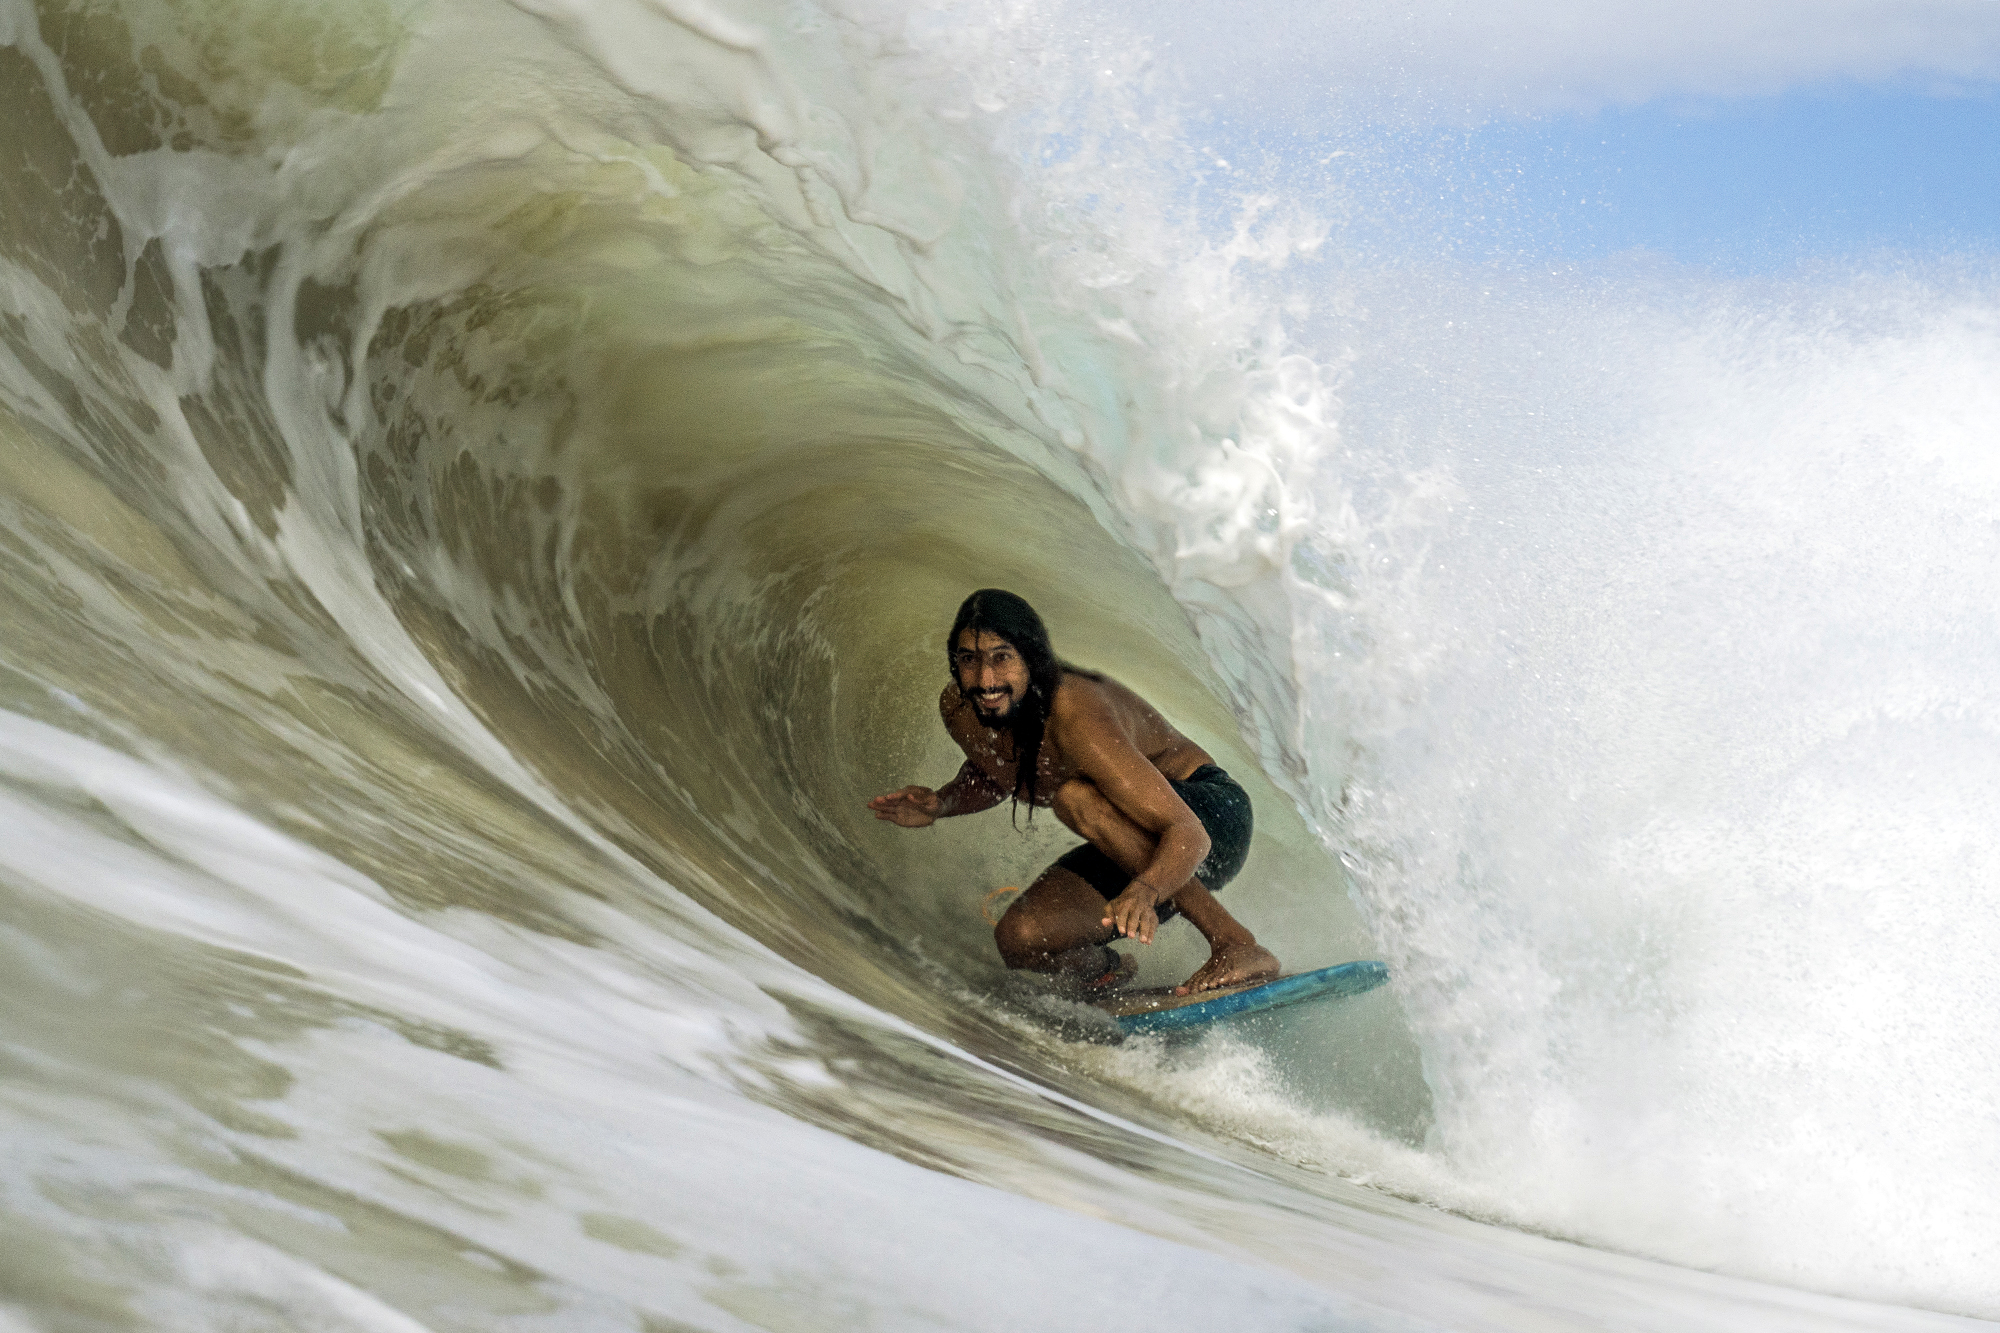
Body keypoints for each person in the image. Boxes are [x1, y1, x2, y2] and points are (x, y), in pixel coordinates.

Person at [867, 589, 1281, 996]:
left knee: (1073, 798)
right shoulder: (960, 707)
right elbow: (1000, 774)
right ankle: (1106, 974)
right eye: (969, 660)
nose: (985, 679)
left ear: (1032, 657)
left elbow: (1190, 834)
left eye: (1001, 657)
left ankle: (1236, 943)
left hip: (1210, 820)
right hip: (1132, 842)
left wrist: (1146, 890)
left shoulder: (1075, 711)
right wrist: (942, 802)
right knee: (1021, 939)